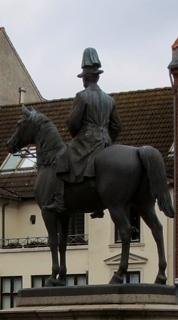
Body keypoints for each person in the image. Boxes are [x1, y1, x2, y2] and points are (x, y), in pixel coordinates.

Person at [43, 48, 121, 213]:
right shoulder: (109, 100)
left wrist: (75, 136)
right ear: (97, 76)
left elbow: (73, 123)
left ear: (85, 78)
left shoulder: (82, 96)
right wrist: (108, 139)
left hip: (86, 140)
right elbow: (116, 126)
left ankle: (58, 201)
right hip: (105, 141)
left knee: (59, 158)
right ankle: (98, 207)